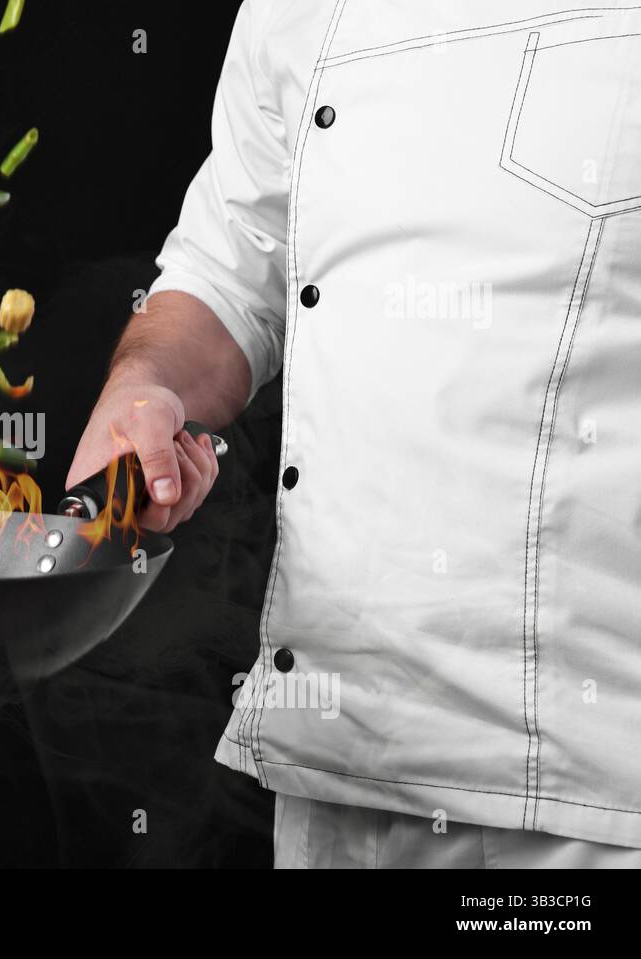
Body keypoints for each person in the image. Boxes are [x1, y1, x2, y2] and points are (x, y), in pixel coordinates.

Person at [66, 0, 641, 868]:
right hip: (335, 773)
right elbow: (230, 266)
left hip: (591, 799)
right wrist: (142, 385)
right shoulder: (289, 12)